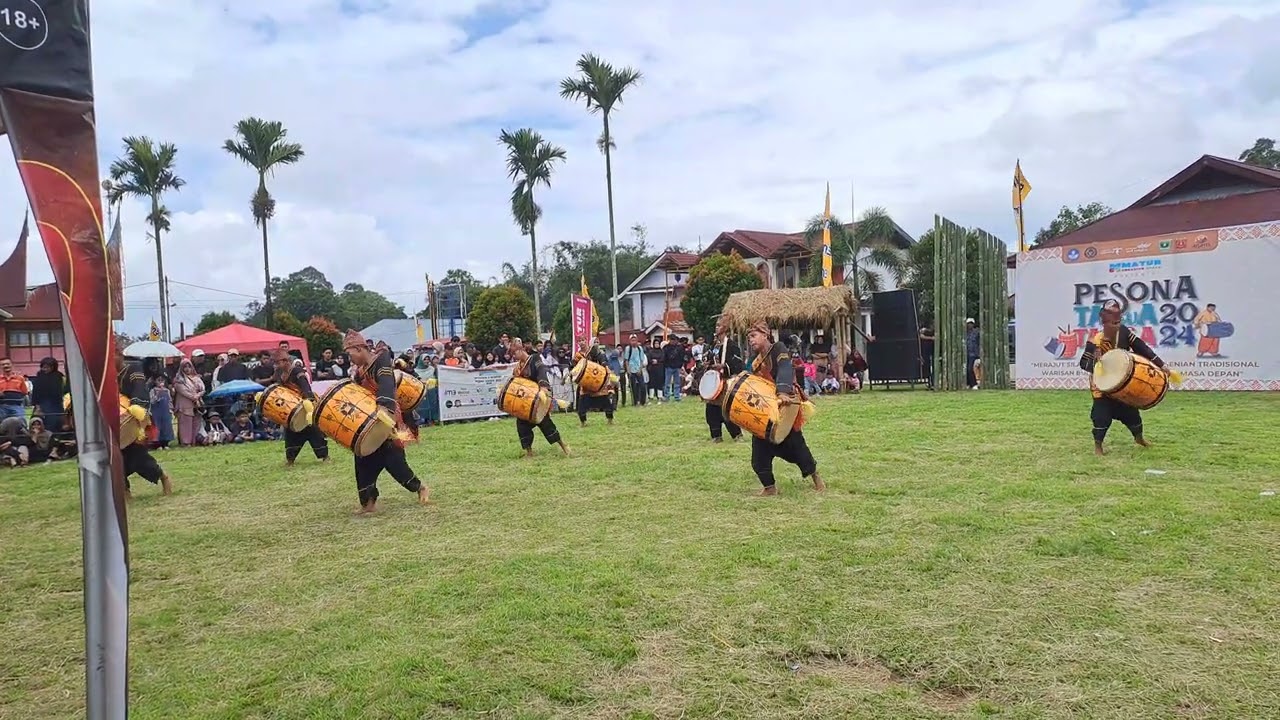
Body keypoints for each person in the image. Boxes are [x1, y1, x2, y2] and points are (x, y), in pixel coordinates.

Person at [343, 330, 430, 514]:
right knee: (362, 461)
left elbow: (386, 386)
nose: (350, 359)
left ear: (359, 348)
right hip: (368, 419)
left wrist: (384, 412)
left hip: (387, 416)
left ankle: (420, 487)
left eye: (350, 353)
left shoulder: (381, 361)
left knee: (395, 462)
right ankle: (368, 502)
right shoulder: (360, 372)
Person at [1078, 300, 1170, 456]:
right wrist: (1097, 361)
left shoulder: (1124, 332)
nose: (1115, 323)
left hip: (1124, 384)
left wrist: (1161, 364)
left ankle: (1139, 439)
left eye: (1117, 319)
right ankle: (1098, 446)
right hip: (1102, 386)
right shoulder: (1095, 340)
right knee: (1102, 417)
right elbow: (1084, 363)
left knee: (1132, 414)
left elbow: (1142, 348)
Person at [743, 322, 825, 496]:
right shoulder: (755, 360)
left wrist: (782, 391)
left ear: (765, 335)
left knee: (797, 448)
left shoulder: (778, 348)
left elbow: (785, 368)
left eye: (754, 336)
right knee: (759, 456)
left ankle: (815, 476)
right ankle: (769, 487)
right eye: (749, 337)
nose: (751, 340)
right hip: (765, 411)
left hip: (785, 406)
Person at [116, 350, 173, 498]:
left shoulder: (133, 368)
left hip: (134, 417)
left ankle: (163, 477)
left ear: (119, 355)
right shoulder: (104, 373)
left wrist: (134, 412)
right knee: (115, 459)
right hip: (113, 418)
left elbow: (139, 391)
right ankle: (124, 490)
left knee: (138, 456)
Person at [510, 337, 570, 458]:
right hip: (525, 402)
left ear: (520, 350)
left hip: (539, 398)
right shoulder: (517, 368)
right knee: (522, 426)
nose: (514, 356)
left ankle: (563, 446)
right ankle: (529, 452)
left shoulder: (535, 358)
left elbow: (541, 370)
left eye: (514, 353)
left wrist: (543, 386)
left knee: (546, 424)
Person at [268, 348, 330, 465]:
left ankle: (324, 456)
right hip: (290, 408)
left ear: (285, 361)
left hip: (305, 405)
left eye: (278, 362)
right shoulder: (279, 374)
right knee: (290, 433)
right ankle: (290, 459)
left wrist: (308, 403)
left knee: (313, 431)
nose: (276, 365)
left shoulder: (297, 371)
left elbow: (305, 387)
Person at [706, 322, 744, 443]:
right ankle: (716, 435)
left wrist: (724, 366)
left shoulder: (732, 346)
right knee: (711, 409)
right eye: (716, 325)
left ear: (725, 329)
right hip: (715, 381)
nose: (716, 328)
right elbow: (709, 360)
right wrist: (708, 364)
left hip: (726, 381)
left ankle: (736, 434)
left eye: (719, 326)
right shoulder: (713, 345)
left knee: (726, 408)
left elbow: (738, 364)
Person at [576, 343, 616, 426]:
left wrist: (609, 377)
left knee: (606, 402)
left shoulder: (601, 356)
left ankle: (610, 420)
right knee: (582, 404)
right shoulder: (585, 357)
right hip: (587, 384)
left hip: (600, 383)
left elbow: (605, 367)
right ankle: (583, 422)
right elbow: (579, 367)